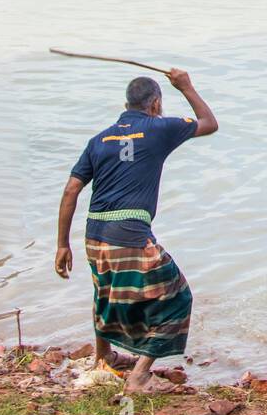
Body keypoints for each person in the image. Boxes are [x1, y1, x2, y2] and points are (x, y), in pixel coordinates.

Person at [54, 69, 218, 393]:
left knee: (104, 292)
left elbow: (71, 190)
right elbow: (209, 122)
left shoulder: (99, 139)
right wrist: (186, 86)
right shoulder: (160, 128)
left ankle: (103, 359)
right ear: (155, 104)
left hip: (94, 235)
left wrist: (62, 245)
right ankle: (140, 375)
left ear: (126, 104)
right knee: (178, 297)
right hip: (128, 234)